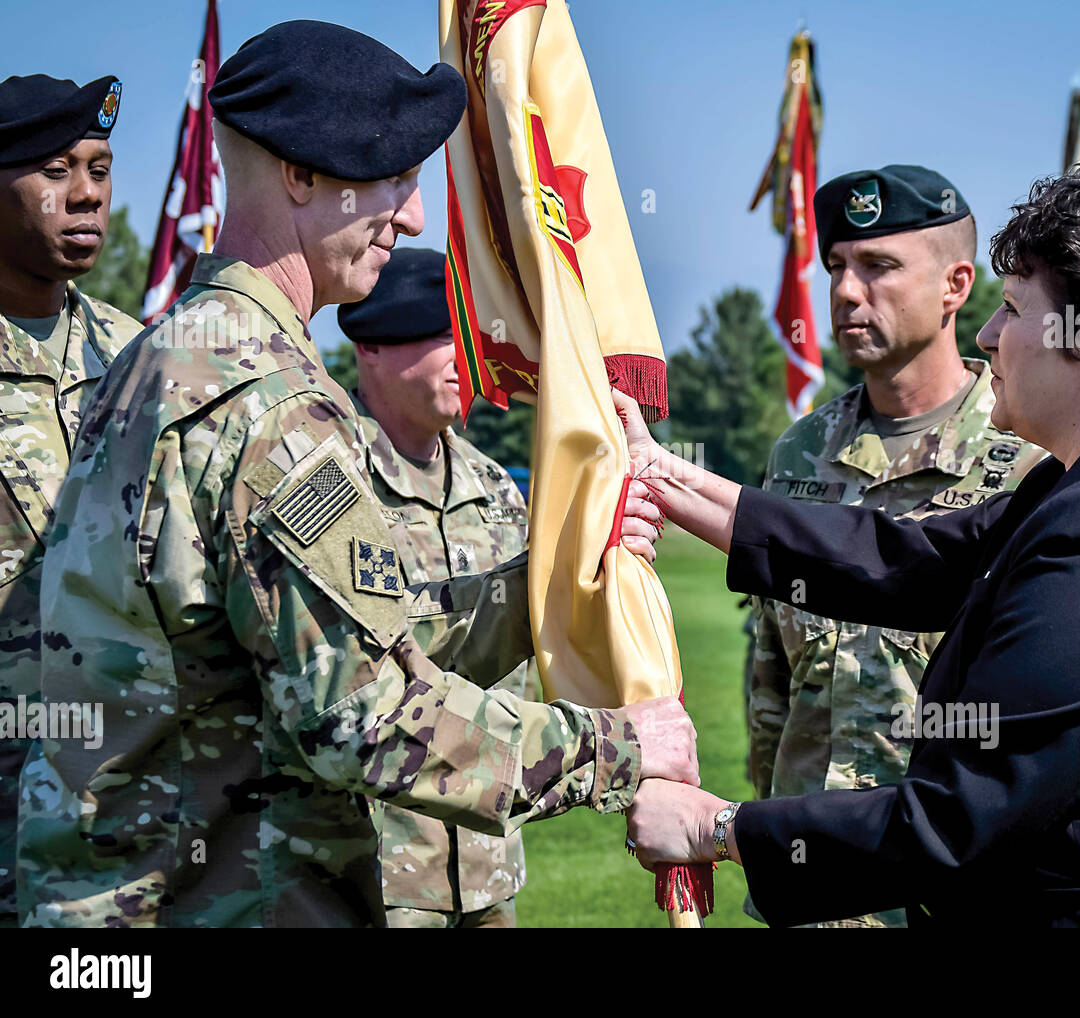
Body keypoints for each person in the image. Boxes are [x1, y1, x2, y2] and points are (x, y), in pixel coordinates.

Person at [18, 20, 694, 929]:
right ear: (301, 175)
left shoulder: (163, 357)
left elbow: (321, 631)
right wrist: (620, 746)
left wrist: (556, 572)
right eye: (395, 179)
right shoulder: (265, 403)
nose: (413, 217)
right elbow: (363, 720)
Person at [619, 156, 1080, 927]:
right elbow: (916, 560)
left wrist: (714, 828)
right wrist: (669, 482)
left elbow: (957, 821)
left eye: (1013, 310)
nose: (988, 333)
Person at [744, 166, 1043, 927]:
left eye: (878, 268)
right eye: (837, 266)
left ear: (955, 286)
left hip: (950, 890)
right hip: (815, 881)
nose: (845, 292)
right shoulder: (799, 453)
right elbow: (770, 684)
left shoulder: (1028, 458)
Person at [336, 247, 533, 928]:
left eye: (467, 337)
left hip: (488, 860)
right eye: (438, 334)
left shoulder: (498, 489)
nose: (463, 357)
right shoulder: (331, 484)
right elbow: (385, 663)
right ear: (371, 348)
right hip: (380, 872)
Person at [0, 73, 141, 927]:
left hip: (124, 794)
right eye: (55, 169)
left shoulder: (139, 356)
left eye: (99, 166)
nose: (86, 193)